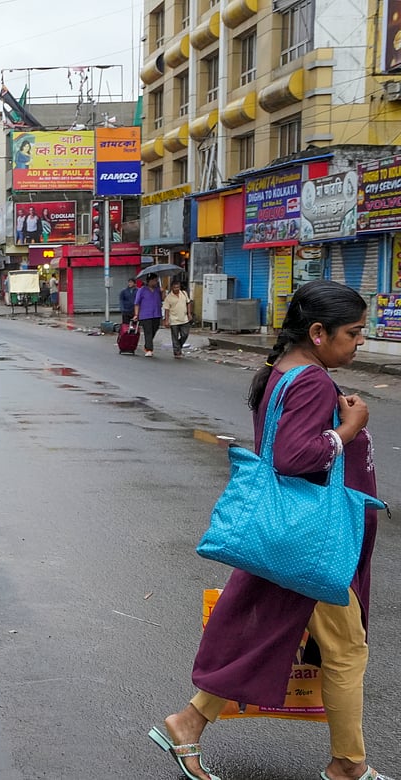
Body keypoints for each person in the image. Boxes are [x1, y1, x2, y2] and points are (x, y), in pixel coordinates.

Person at [150, 281, 389, 780]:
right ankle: (348, 764)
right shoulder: (313, 381)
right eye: (354, 332)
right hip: (314, 540)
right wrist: (349, 428)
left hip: (290, 535)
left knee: (267, 631)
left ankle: (189, 721)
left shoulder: (282, 371)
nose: (360, 341)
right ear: (319, 332)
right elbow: (294, 456)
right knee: (346, 649)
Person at [133, 273, 164, 357]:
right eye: (154, 280)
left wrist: (162, 292)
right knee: (148, 332)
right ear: (149, 281)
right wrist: (136, 314)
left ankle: (147, 345)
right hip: (145, 315)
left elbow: (163, 299)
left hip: (156, 314)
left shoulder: (158, 290)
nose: (155, 282)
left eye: (156, 280)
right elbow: (137, 303)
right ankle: (149, 349)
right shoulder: (142, 290)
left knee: (154, 329)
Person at [163, 278, 193, 358]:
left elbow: (188, 303)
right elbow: (166, 310)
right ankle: (177, 352)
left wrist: (189, 313)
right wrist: (166, 320)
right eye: (175, 287)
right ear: (172, 288)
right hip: (174, 320)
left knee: (185, 334)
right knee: (175, 337)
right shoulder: (168, 297)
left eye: (178, 287)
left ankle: (178, 346)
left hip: (184, 318)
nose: (177, 289)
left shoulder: (184, 293)